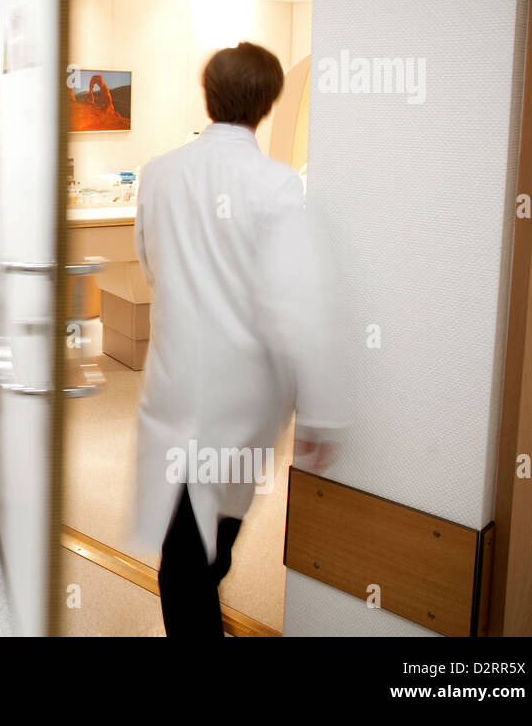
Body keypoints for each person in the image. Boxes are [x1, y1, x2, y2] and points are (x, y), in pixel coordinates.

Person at [129, 41, 346, 636]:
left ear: (208, 92)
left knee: (192, 545)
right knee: (202, 540)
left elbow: (150, 266)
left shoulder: (158, 173)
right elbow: (302, 304)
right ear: (268, 104)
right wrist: (320, 413)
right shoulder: (277, 186)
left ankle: (201, 615)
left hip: (175, 384)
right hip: (245, 398)